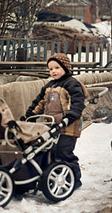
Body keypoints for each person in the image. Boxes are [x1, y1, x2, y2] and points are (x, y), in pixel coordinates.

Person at [24, 53, 88, 189]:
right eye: (51, 69)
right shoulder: (49, 86)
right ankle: (53, 178)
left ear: (65, 68)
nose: (53, 71)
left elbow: (77, 103)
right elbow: (39, 103)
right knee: (50, 152)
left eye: (57, 68)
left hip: (69, 125)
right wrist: (29, 116)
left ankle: (75, 181)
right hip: (52, 126)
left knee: (64, 152)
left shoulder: (72, 84)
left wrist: (69, 117)